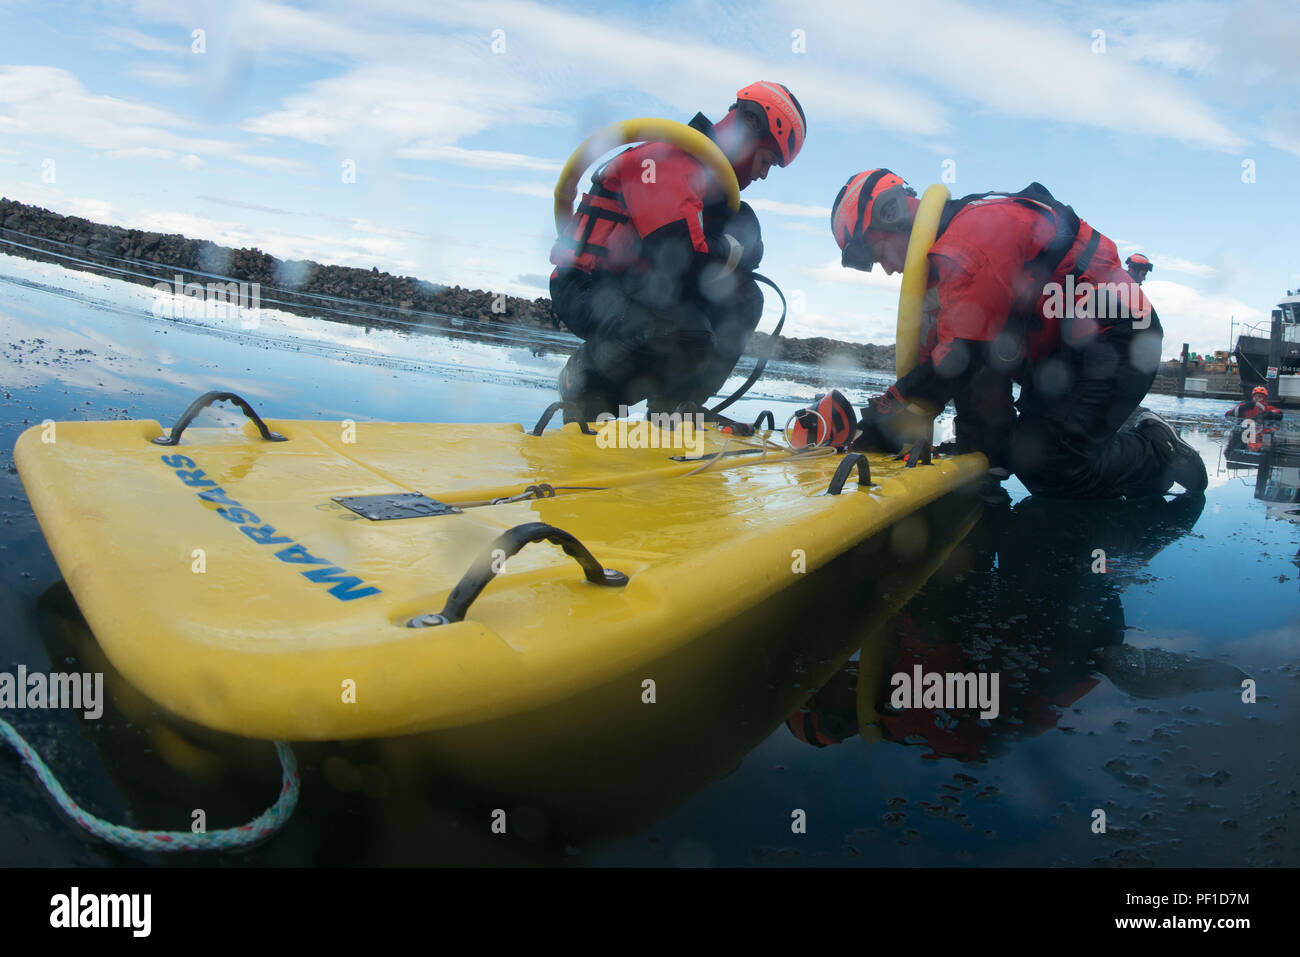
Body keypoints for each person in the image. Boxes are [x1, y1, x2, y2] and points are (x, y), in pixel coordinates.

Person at [830, 169, 1207, 498]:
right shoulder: (950, 257)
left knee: (1050, 467)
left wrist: (886, 412)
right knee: (1022, 447)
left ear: (890, 213)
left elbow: (961, 355)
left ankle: (1158, 450)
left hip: (1119, 337)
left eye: (878, 254)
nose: (888, 270)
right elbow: (947, 353)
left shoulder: (969, 238)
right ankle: (990, 458)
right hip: (1066, 353)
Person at [550, 82, 806, 422]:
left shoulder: (713, 187)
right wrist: (731, 251)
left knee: (747, 299)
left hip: (641, 289)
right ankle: (584, 386)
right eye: (767, 160)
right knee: (683, 331)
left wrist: (732, 250)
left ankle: (674, 412)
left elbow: (737, 258)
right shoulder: (665, 161)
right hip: (587, 285)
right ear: (752, 126)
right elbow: (679, 262)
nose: (762, 174)